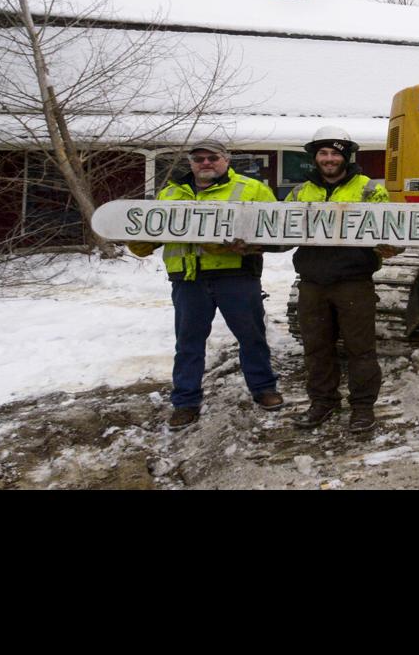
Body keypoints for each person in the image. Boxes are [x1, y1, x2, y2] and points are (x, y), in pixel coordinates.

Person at [127, 139, 283, 432]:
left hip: (236, 276)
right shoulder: (171, 192)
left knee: (252, 336)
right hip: (188, 278)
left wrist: (252, 243)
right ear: (191, 162)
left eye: (213, 157)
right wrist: (140, 241)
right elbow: (155, 231)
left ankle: (264, 388)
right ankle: (185, 402)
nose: (206, 163)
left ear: (226, 160)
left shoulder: (252, 189)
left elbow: (278, 231)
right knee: (188, 343)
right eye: (199, 158)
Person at [284, 126, 399, 434]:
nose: (329, 158)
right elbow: (280, 232)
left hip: (354, 282)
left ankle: (362, 407)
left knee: (360, 349)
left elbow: (389, 232)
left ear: (346, 157)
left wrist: (390, 246)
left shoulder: (370, 189)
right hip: (311, 283)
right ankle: (323, 402)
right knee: (316, 348)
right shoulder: (299, 193)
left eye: (335, 153)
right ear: (315, 157)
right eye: (323, 153)